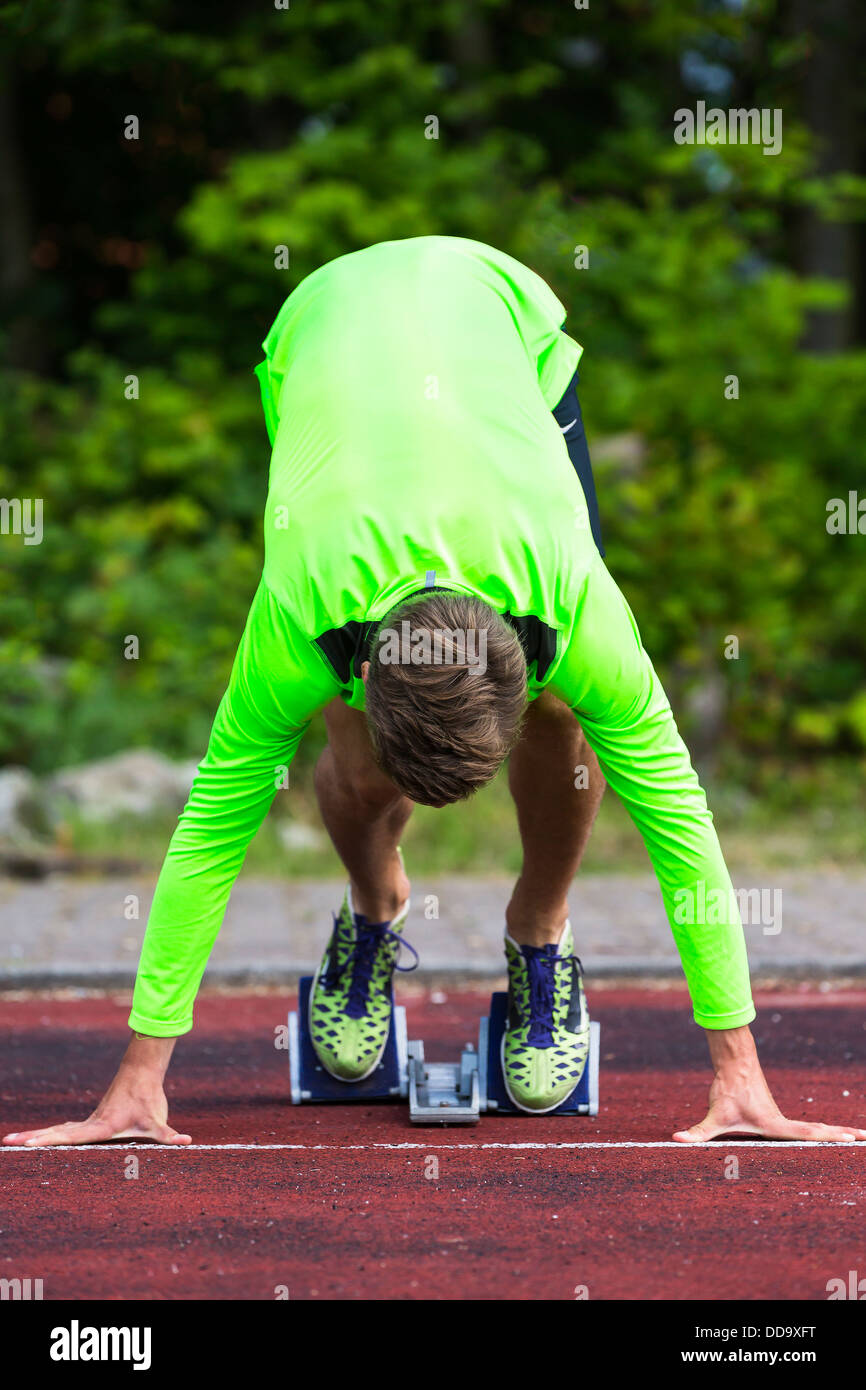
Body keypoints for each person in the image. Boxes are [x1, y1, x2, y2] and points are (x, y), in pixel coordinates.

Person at [5, 236, 863, 1147]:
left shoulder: (571, 599)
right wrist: (138, 1079)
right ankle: (375, 906)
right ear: (367, 667)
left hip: (500, 315)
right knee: (345, 744)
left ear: (519, 654)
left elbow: (680, 821)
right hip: (317, 331)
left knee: (570, 720)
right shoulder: (303, 608)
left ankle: (541, 929)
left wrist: (741, 1074)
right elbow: (212, 831)